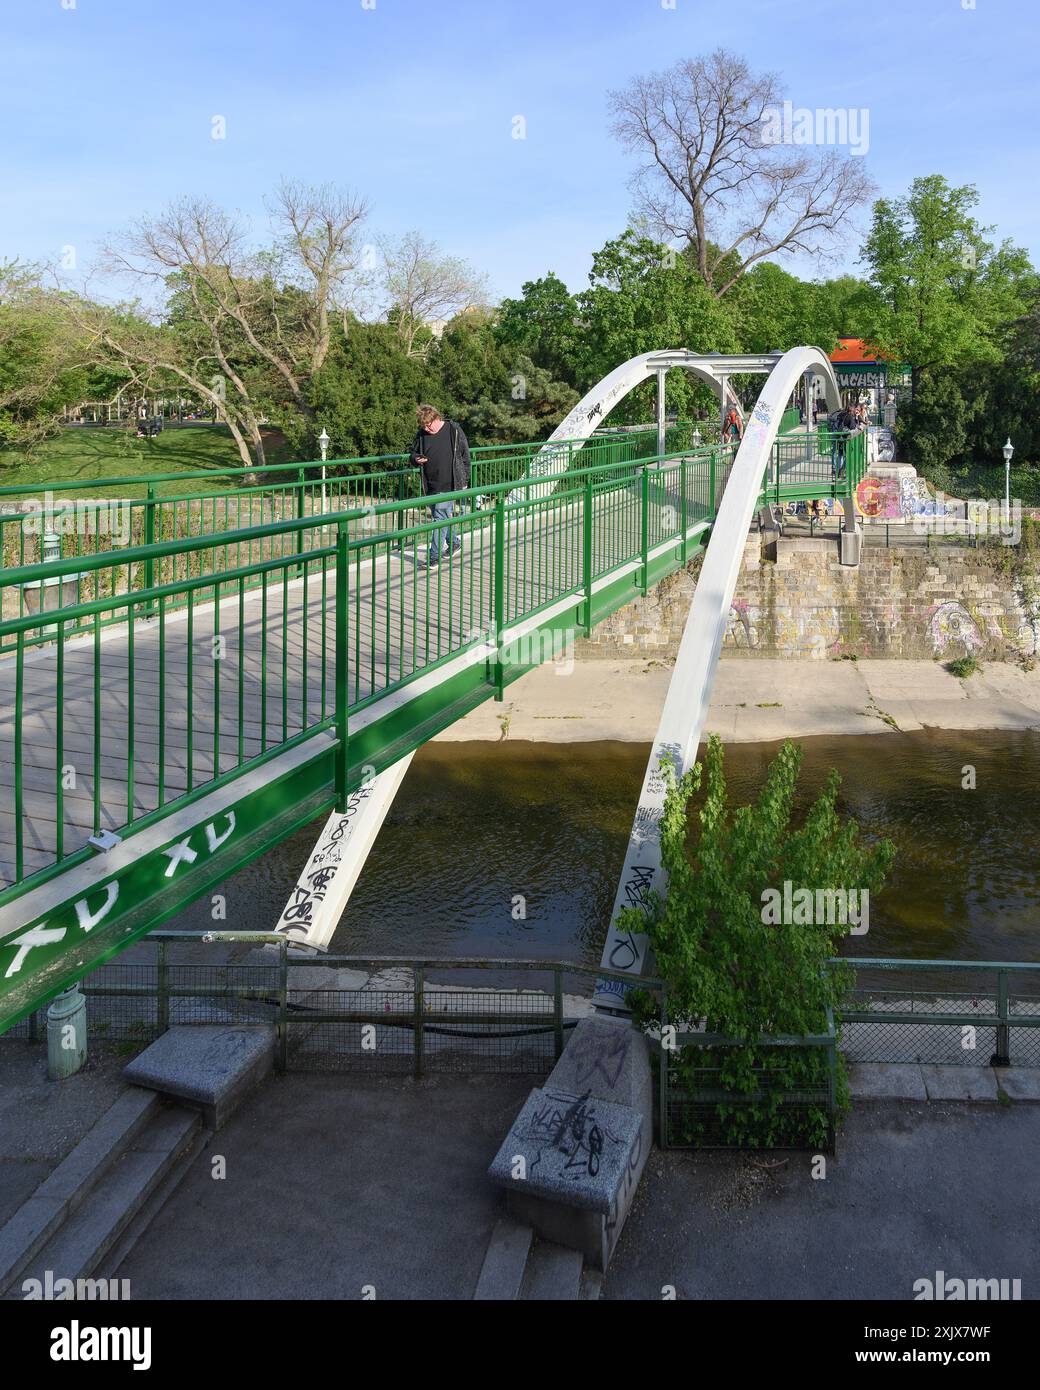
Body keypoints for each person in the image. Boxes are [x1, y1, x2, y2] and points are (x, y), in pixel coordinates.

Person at [409, 404, 471, 566]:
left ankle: (434, 557)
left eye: (428, 425)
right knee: (442, 517)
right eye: (423, 426)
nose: (426, 428)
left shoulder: (453, 429)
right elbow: (412, 452)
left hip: (450, 483)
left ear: (437, 418)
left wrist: (465, 480)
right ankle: (455, 543)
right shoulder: (421, 434)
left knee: (439, 518)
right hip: (430, 484)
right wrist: (416, 459)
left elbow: (465, 455)